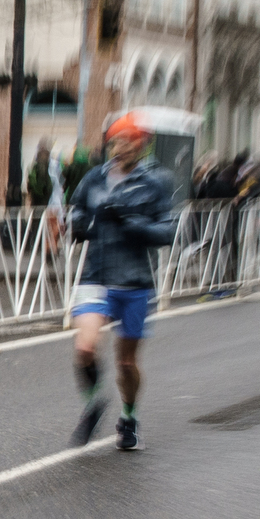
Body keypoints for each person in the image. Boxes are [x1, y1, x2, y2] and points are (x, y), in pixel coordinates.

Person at [67, 113, 175, 452]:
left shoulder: (155, 183)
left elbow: (168, 231)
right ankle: (94, 404)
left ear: (141, 146)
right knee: (84, 348)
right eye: (115, 141)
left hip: (133, 281)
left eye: (129, 142)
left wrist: (131, 222)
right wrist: (82, 222)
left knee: (126, 363)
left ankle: (129, 417)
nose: (121, 148)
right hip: (95, 277)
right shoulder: (94, 178)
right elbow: (76, 211)